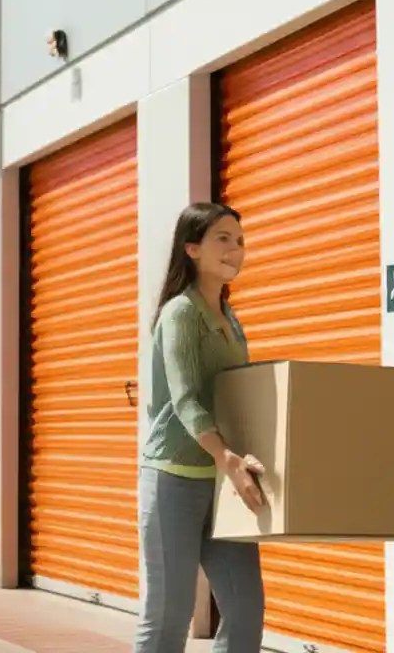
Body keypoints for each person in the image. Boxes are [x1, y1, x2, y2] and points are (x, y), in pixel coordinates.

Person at [134, 202, 266, 653]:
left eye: (240, 240)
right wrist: (225, 457)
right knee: (169, 616)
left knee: (246, 611)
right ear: (191, 248)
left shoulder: (230, 320)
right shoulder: (179, 314)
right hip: (173, 479)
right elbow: (186, 399)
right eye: (223, 239)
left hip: (221, 481)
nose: (236, 249)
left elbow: (239, 397)